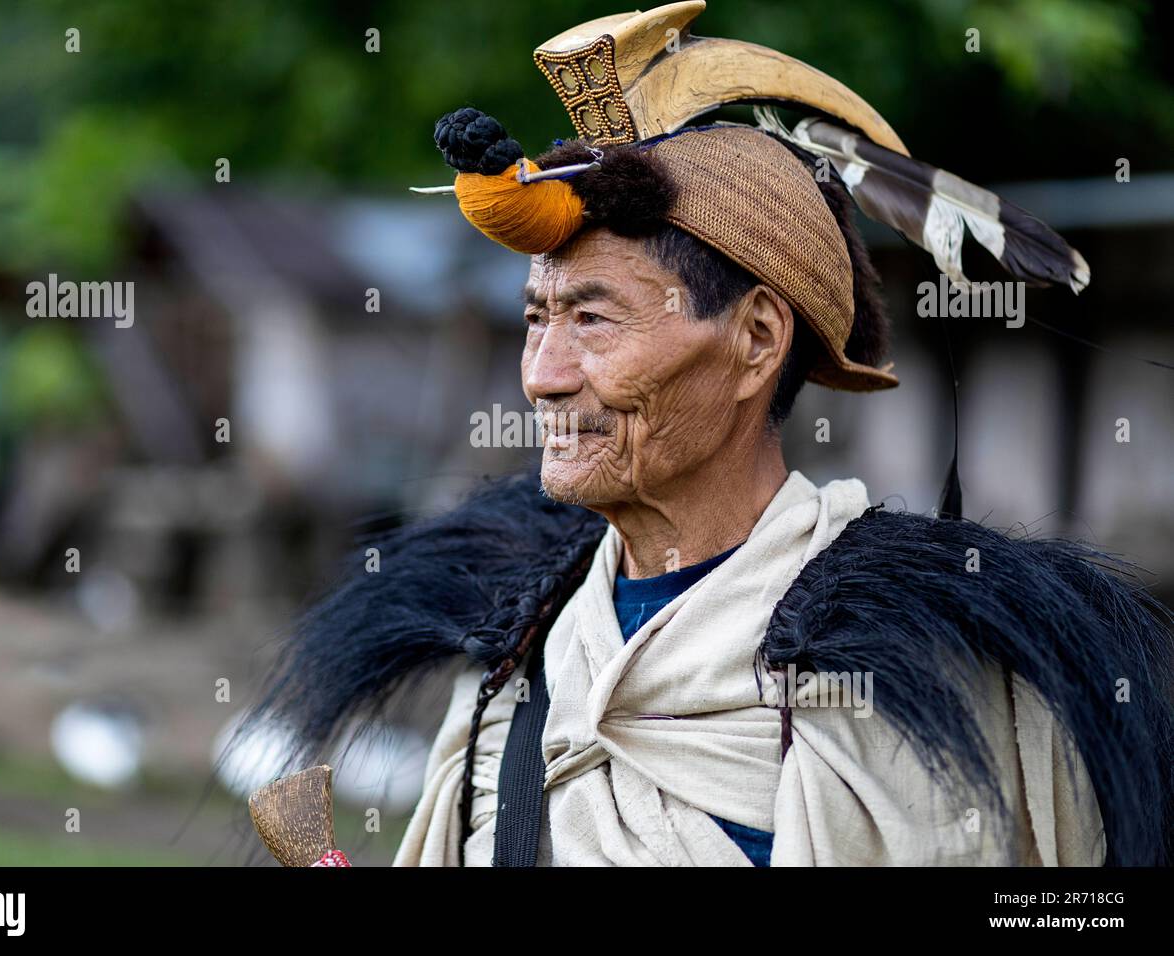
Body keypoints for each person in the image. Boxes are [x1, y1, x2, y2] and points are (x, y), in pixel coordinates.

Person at [250, 3, 1174, 867]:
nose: (541, 375)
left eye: (594, 321)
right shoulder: (517, 659)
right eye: (536, 319)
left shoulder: (926, 681)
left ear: (756, 341)